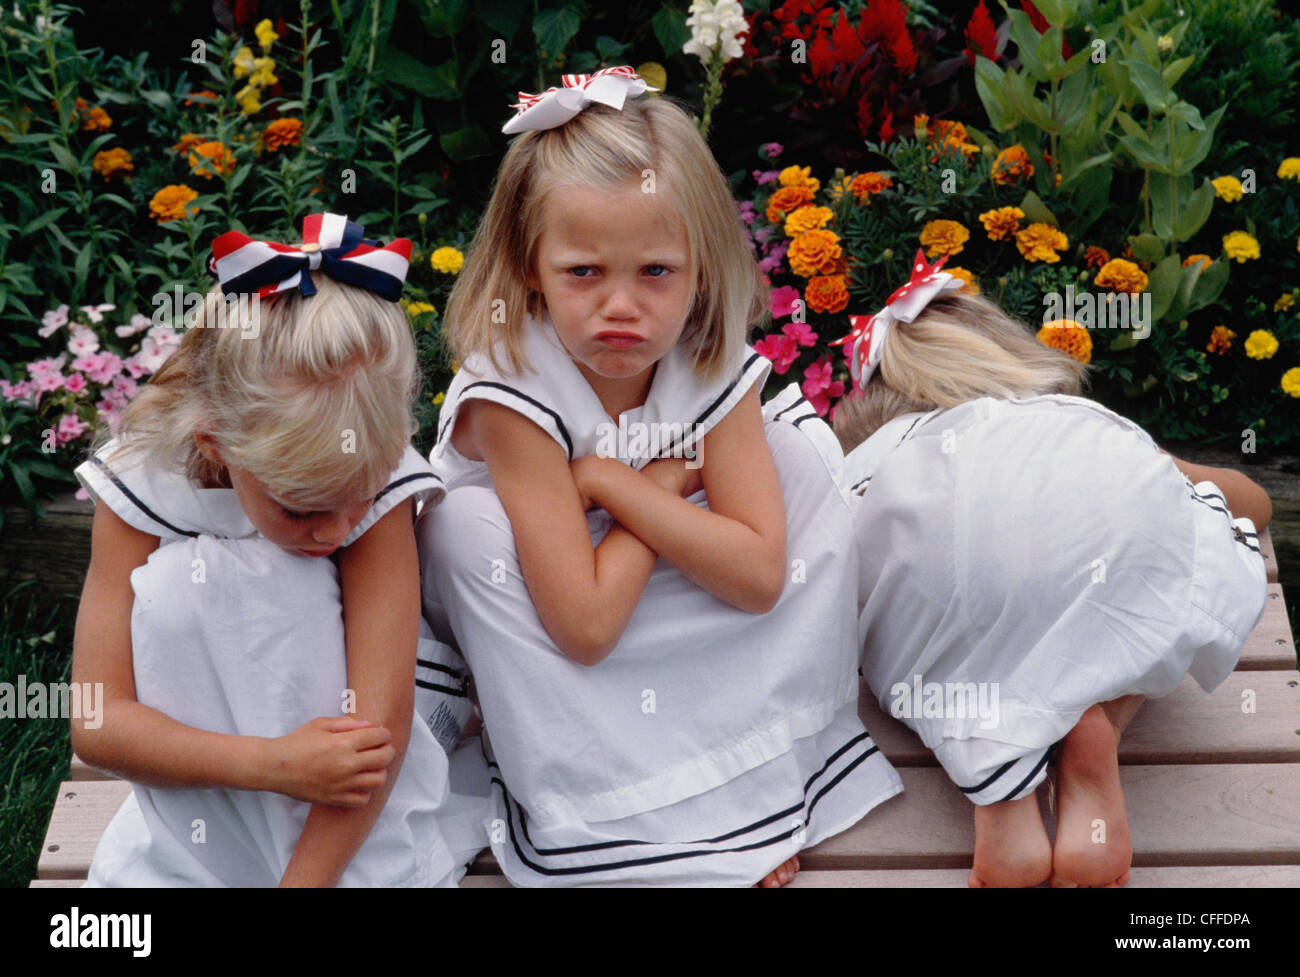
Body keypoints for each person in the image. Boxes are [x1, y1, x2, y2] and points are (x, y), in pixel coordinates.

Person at [416, 67, 903, 887]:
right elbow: (585, 626)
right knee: (466, 530)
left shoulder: (707, 358)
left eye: (655, 272)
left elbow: (756, 577)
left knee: (800, 461)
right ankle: (623, 808)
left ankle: (738, 784)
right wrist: (660, 489)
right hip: (549, 610)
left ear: (702, 268)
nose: (621, 307)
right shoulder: (512, 388)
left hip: (671, 578)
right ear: (528, 265)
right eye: (583, 273)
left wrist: (615, 486)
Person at [71, 214, 488, 887]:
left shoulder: (364, 487)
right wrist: (273, 764)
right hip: (211, 804)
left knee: (289, 581)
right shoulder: (139, 485)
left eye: (363, 494)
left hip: (349, 815)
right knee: (183, 587)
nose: (339, 529)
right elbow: (97, 722)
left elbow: (378, 728)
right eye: (303, 507)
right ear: (217, 448)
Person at [831, 251, 1271, 887]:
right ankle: (1103, 720)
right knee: (1157, 580)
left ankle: (999, 792)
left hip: (939, 584)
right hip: (1106, 556)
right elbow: (1249, 504)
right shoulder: (1065, 421)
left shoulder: (873, 461)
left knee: (924, 635)